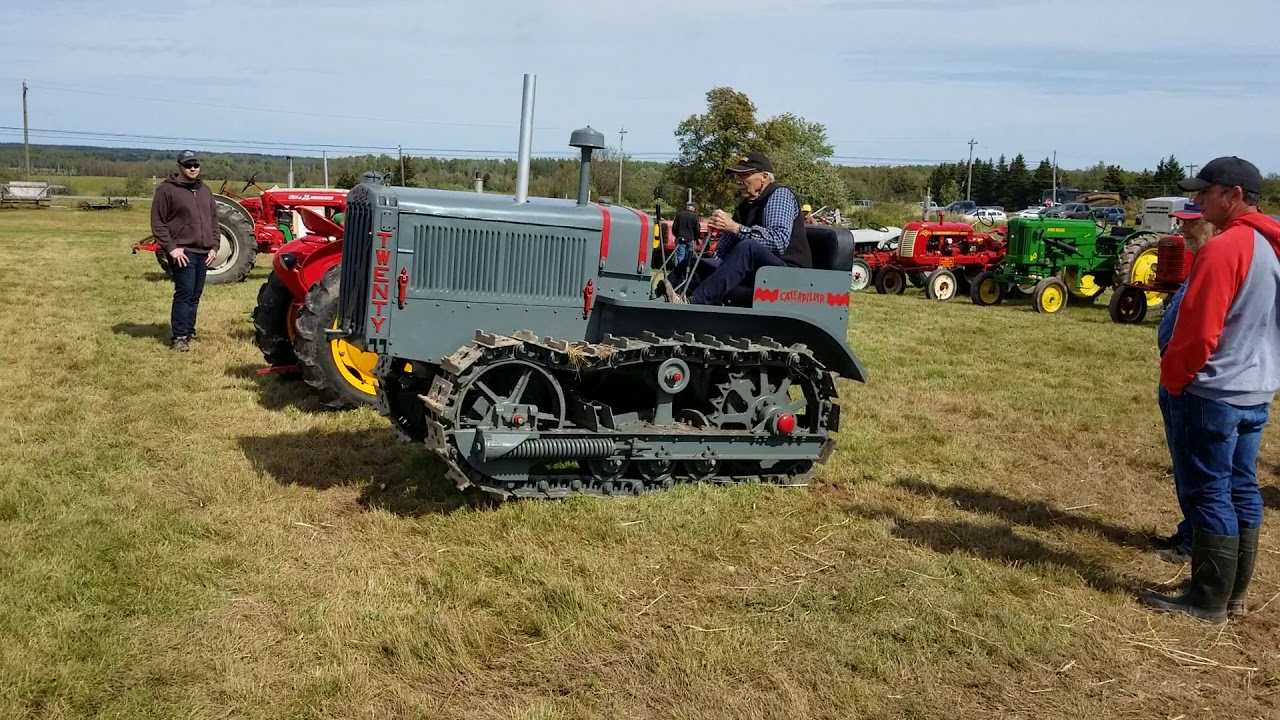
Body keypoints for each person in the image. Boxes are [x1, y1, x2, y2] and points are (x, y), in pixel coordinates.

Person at [1139, 156, 1280, 624]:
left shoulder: (1224, 249)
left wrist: (1175, 379)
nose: (1197, 200)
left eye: (1205, 191)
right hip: (1257, 390)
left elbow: (1199, 332)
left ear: (1234, 196)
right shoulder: (1272, 245)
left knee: (1209, 490)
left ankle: (1207, 600)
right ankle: (1232, 595)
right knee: (1242, 485)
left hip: (1213, 391)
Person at [1149, 202, 1215, 564]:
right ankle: (1189, 531)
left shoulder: (1217, 264)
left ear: (1213, 224)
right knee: (1186, 465)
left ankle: (1197, 544)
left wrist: (1182, 373)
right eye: (1181, 223)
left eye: (1192, 223)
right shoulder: (1200, 262)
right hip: (1179, 380)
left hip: (1195, 384)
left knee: (1199, 469)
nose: (1183, 230)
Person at [660, 152, 812, 306]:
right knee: (692, 264)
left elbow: (777, 242)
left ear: (764, 177)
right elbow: (721, 254)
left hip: (789, 276)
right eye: (737, 176)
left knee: (748, 247)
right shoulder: (745, 206)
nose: (739, 181)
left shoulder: (779, 195)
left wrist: (734, 227)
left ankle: (691, 304)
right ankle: (657, 302)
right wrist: (714, 260)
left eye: (745, 175)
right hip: (756, 272)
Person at [151, 150, 219, 351]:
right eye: (188, 165)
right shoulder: (167, 190)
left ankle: (189, 331)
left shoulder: (204, 190)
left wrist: (214, 247)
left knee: (195, 294)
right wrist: (171, 248)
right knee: (184, 293)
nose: (192, 168)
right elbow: (158, 223)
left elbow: (214, 221)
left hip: (204, 252)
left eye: (196, 165)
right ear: (179, 166)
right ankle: (179, 337)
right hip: (183, 251)